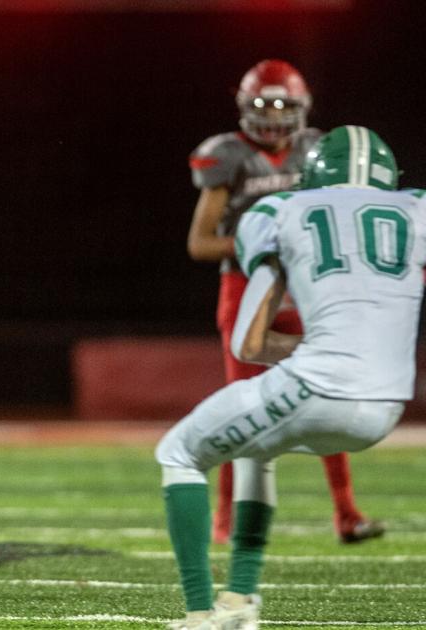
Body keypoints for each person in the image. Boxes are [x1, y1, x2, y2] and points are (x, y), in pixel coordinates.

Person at [159, 126, 420, 630]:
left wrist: (304, 347)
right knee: (257, 445)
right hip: (386, 407)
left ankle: (197, 615)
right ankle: (238, 604)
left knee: (178, 452)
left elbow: (248, 344)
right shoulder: (416, 210)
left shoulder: (280, 213)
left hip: (317, 389)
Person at [186, 59, 379, 545]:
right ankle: (225, 522)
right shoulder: (227, 155)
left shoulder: (318, 150)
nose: (273, 115)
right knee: (242, 409)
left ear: (302, 106)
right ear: (244, 107)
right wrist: (264, 241)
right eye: (264, 104)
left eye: (282, 104)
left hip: (307, 289)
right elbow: (201, 243)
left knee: (328, 398)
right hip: (247, 288)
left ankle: (347, 515)